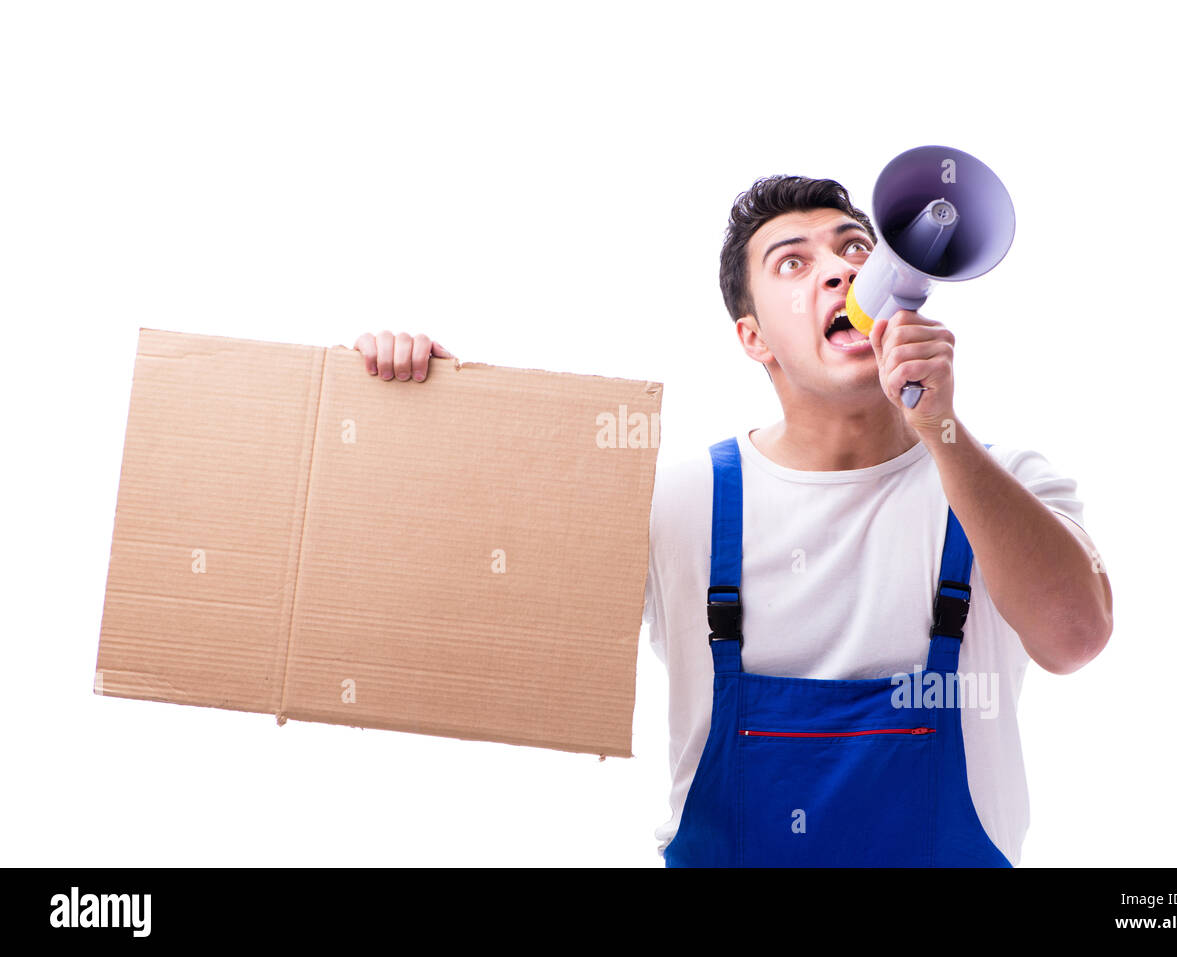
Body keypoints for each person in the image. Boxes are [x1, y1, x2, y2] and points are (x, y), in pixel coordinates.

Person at [353, 175, 1114, 867]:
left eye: (856, 248)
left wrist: (944, 432)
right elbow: (484, 629)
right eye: (793, 262)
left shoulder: (1001, 480)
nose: (840, 269)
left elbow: (1076, 635)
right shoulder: (679, 504)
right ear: (753, 339)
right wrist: (428, 420)